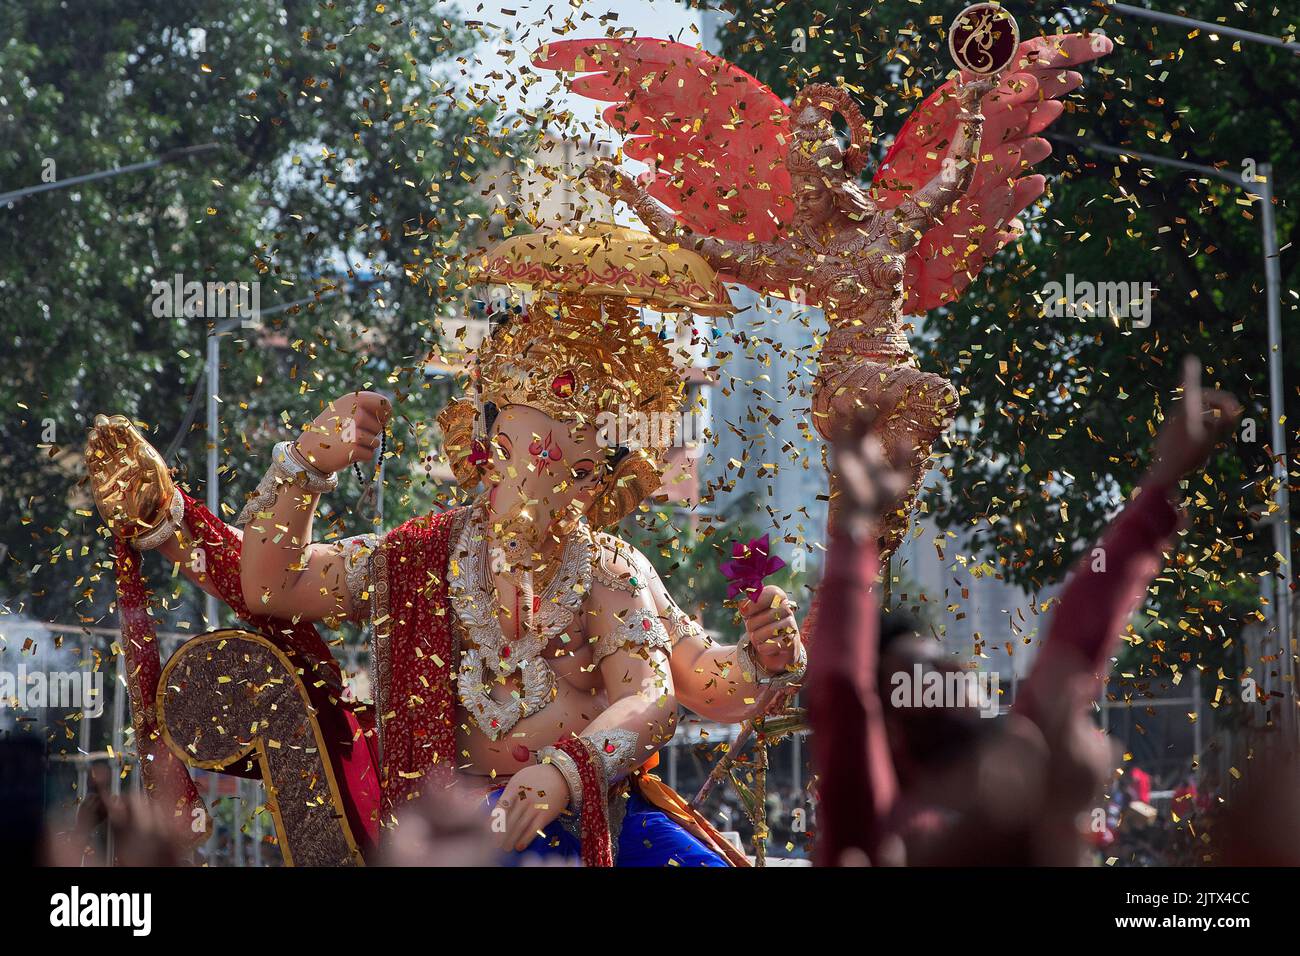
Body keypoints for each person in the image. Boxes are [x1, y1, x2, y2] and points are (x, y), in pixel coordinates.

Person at [86, 292, 805, 866]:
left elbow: (667, 690)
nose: (563, 494)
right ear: (488, 451)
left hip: (598, 826)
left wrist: (756, 660)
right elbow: (272, 585)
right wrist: (307, 463)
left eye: (586, 474)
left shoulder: (610, 570)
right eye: (545, 462)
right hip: (448, 834)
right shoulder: (416, 558)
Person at [810, 358, 1241, 865]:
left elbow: (1077, 636)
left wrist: (1160, 484)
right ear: (891, 728)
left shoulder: (1021, 771)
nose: (948, 676)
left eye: (944, 664)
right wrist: (855, 528)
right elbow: (842, 690)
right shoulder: (874, 828)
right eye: (919, 676)